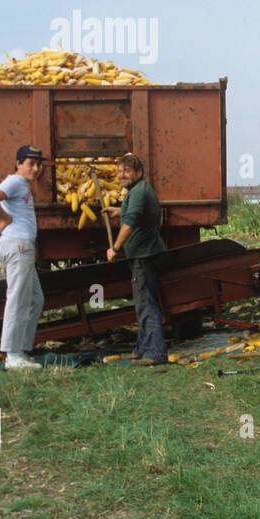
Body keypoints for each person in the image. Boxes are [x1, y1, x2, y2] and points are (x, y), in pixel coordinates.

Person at [0, 145, 48, 371]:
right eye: (30, 163)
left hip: (23, 246)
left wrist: (6, 217)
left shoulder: (23, 185)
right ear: (18, 163)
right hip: (18, 245)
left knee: (36, 299)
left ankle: (21, 350)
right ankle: (12, 355)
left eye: (39, 164)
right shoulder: (15, 182)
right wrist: (6, 218)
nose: (36, 168)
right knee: (18, 299)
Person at [107, 153, 168, 365]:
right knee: (142, 303)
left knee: (146, 303)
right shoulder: (137, 191)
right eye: (120, 172)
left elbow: (130, 223)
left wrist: (115, 248)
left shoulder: (139, 192)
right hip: (144, 253)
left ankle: (154, 354)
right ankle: (142, 349)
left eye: (127, 171)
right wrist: (118, 211)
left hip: (145, 255)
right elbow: (133, 214)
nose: (122, 175)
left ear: (139, 172)